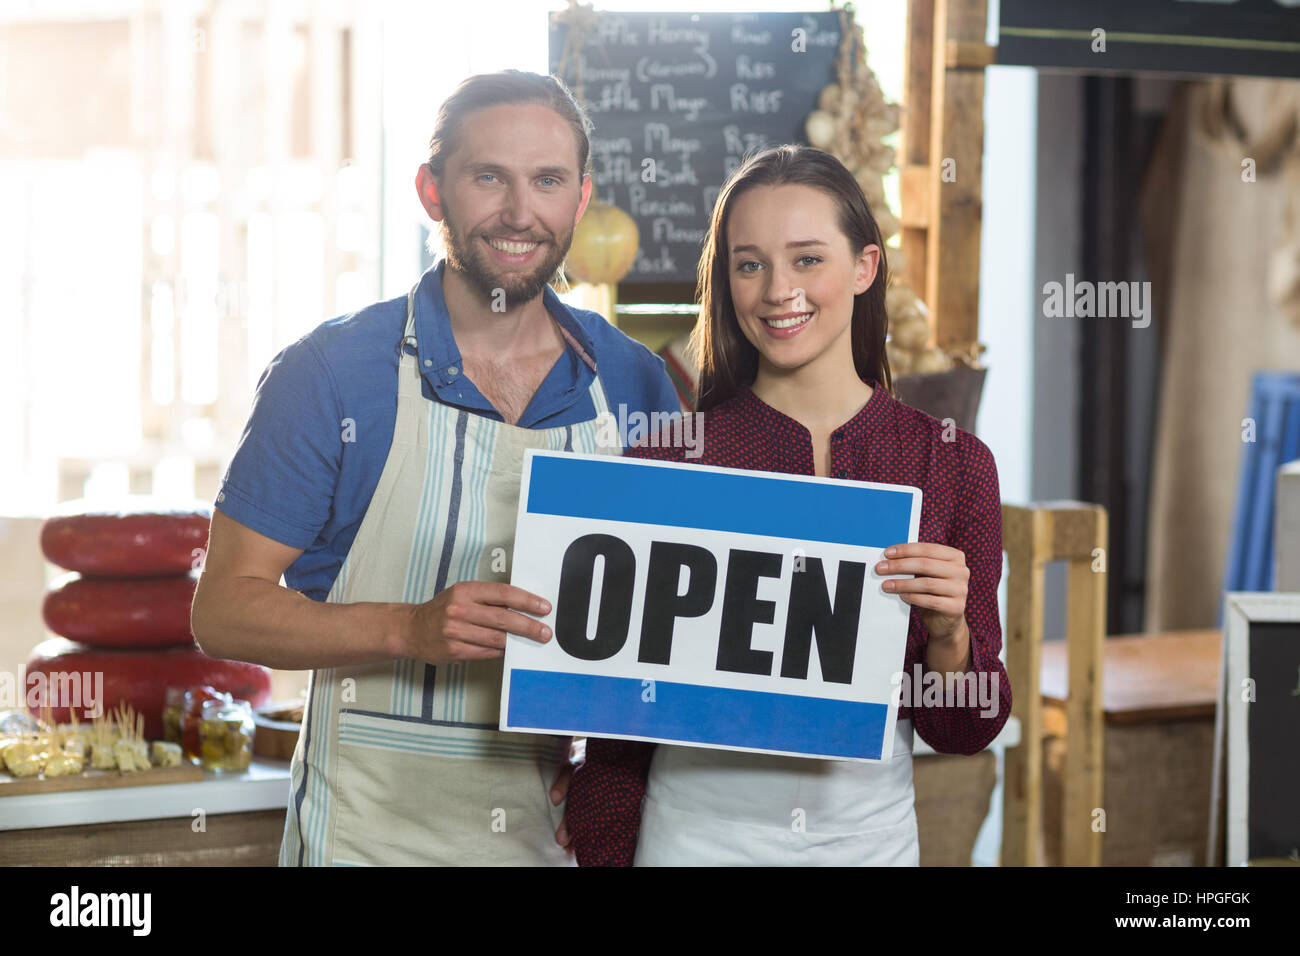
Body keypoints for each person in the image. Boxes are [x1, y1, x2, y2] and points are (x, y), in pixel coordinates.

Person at [190, 71, 681, 866]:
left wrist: (619, 770)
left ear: (580, 200)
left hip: (545, 843)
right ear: (431, 190)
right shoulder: (332, 374)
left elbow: (666, 625)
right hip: (365, 838)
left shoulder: (632, 383)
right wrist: (407, 627)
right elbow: (222, 611)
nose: (520, 214)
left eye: (547, 181)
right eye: (489, 177)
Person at [564, 144, 1012, 866]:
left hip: (870, 840)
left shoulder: (956, 464)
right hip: (694, 837)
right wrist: (602, 837)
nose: (778, 290)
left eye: (807, 259)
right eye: (750, 264)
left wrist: (953, 634)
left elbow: (963, 730)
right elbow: (624, 725)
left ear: (864, 267)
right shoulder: (666, 460)